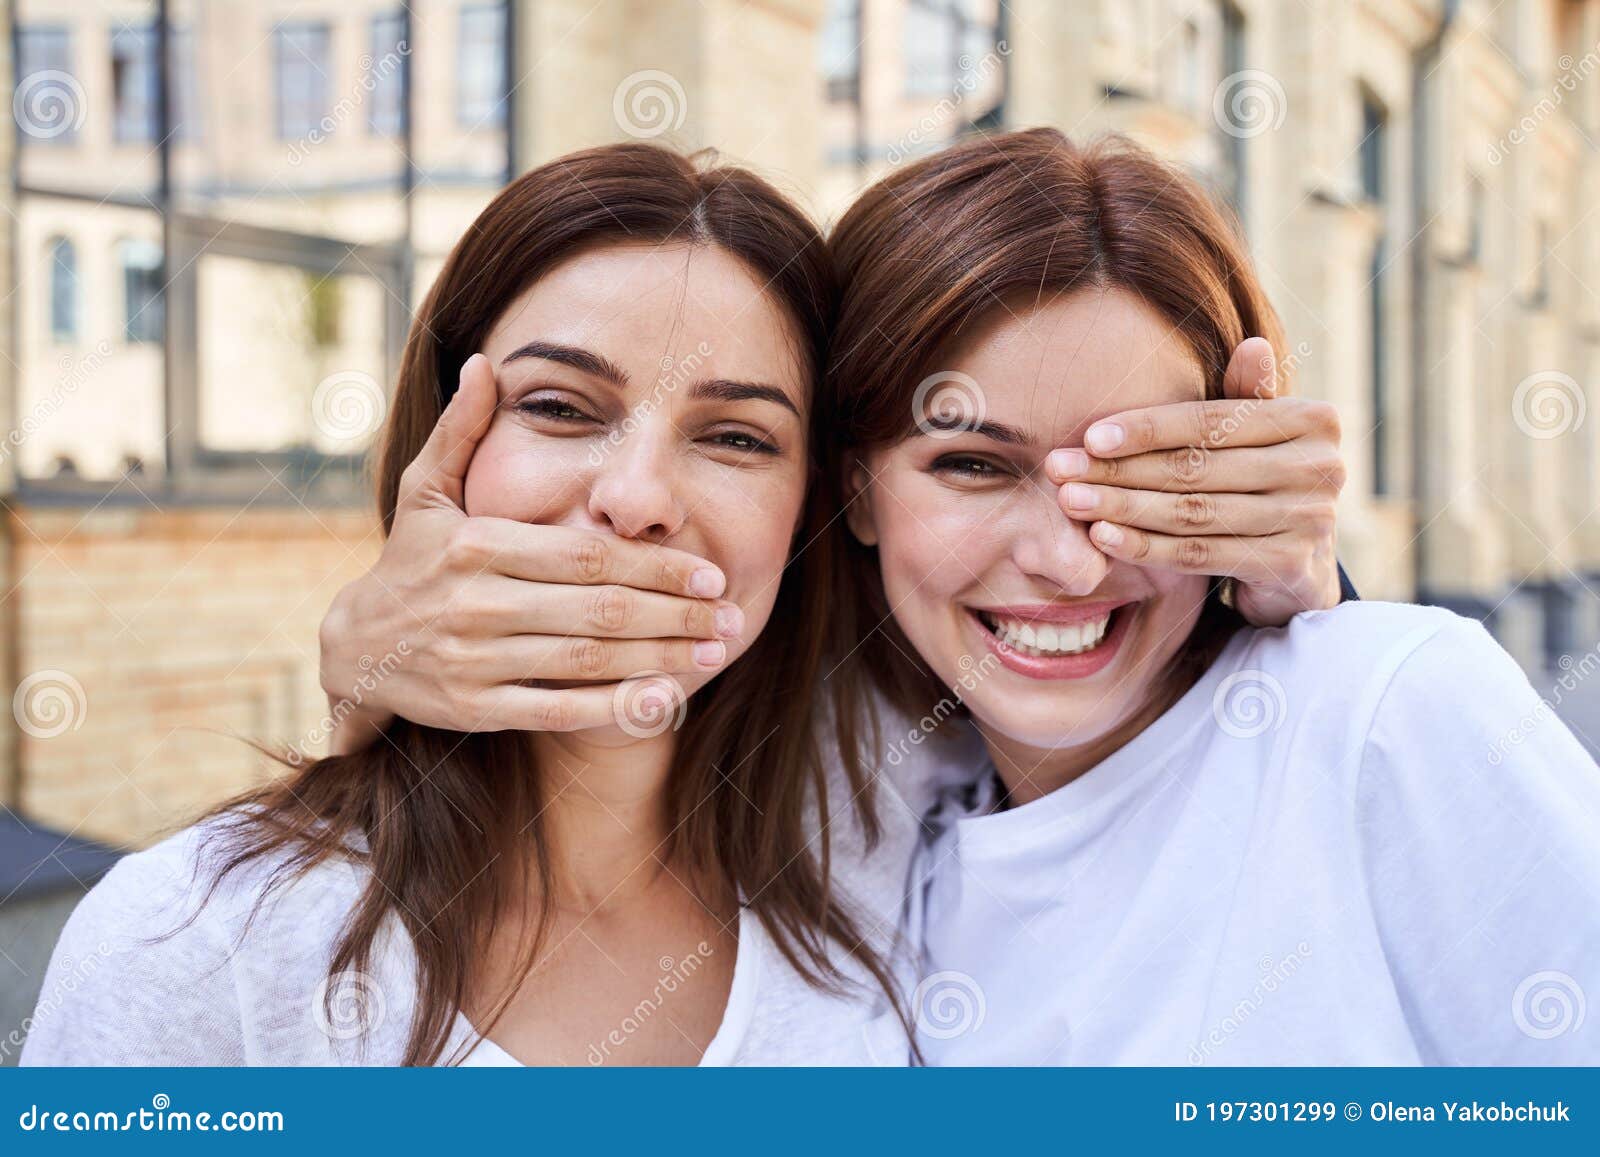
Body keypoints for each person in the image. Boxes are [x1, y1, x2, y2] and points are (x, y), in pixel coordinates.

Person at [22, 143, 933, 1067]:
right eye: (561, 408)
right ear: (438, 446)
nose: (638, 496)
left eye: (735, 436)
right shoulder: (188, 942)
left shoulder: (893, 861)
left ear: (810, 508)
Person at [822, 128, 1600, 1065]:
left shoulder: (1387, 711)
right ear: (857, 491)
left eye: (1142, 469)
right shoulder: (867, 838)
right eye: (976, 465)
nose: (1069, 562)